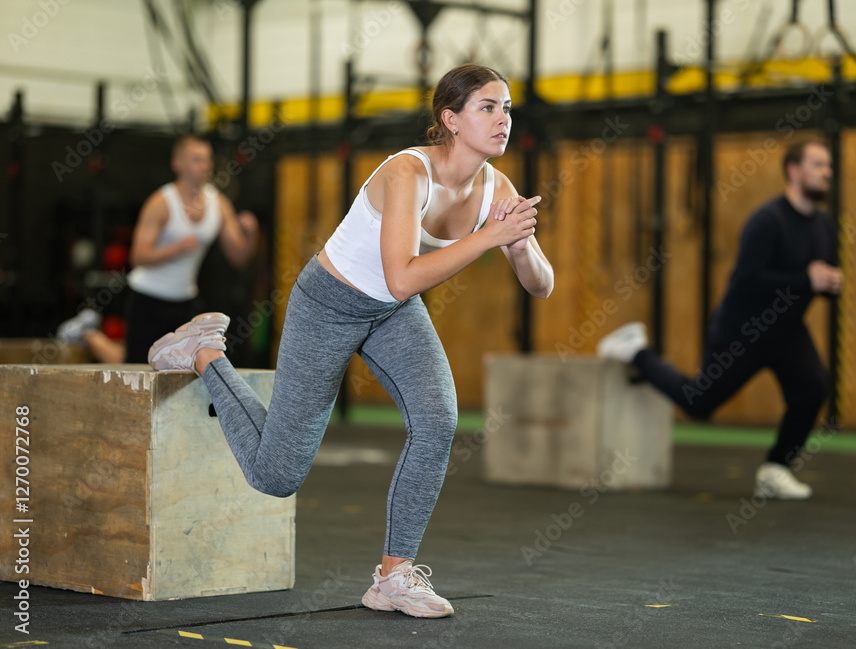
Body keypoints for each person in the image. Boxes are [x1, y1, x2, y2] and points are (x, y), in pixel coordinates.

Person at [144, 65, 554, 618]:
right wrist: (488, 239)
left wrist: (519, 244)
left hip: (392, 312)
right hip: (328, 305)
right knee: (276, 475)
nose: (503, 119)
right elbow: (402, 276)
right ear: (451, 119)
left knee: (438, 420)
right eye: (488, 107)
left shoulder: (496, 189)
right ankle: (204, 352)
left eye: (507, 108)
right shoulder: (407, 172)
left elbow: (541, 285)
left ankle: (393, 578)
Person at [598, 139, 842, 500]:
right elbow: (749, 281)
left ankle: (775, 470)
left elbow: (819, 278)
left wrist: (830, 284)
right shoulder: (767, 221)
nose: (827, 172)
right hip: (743, 330)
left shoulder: (823, 226)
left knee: (813, 388)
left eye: (828, 166)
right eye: (818, 164)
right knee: (699, 402)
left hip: (787, 331)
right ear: (793, 171)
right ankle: (635, 351)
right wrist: (806, 279)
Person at [57, 134, 259, 363]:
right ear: (178, 164)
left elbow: (238, 258)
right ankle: (87, 333)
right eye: (197, 159)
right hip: (148, 297)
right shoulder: (161, 203)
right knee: (135, 366)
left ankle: (89, 332)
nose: (205, 165)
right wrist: (176, 249)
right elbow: (138, 256)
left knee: (182, 369)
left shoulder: (219, 204)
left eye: (207, 159)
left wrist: (251, 234)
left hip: (185, 300)